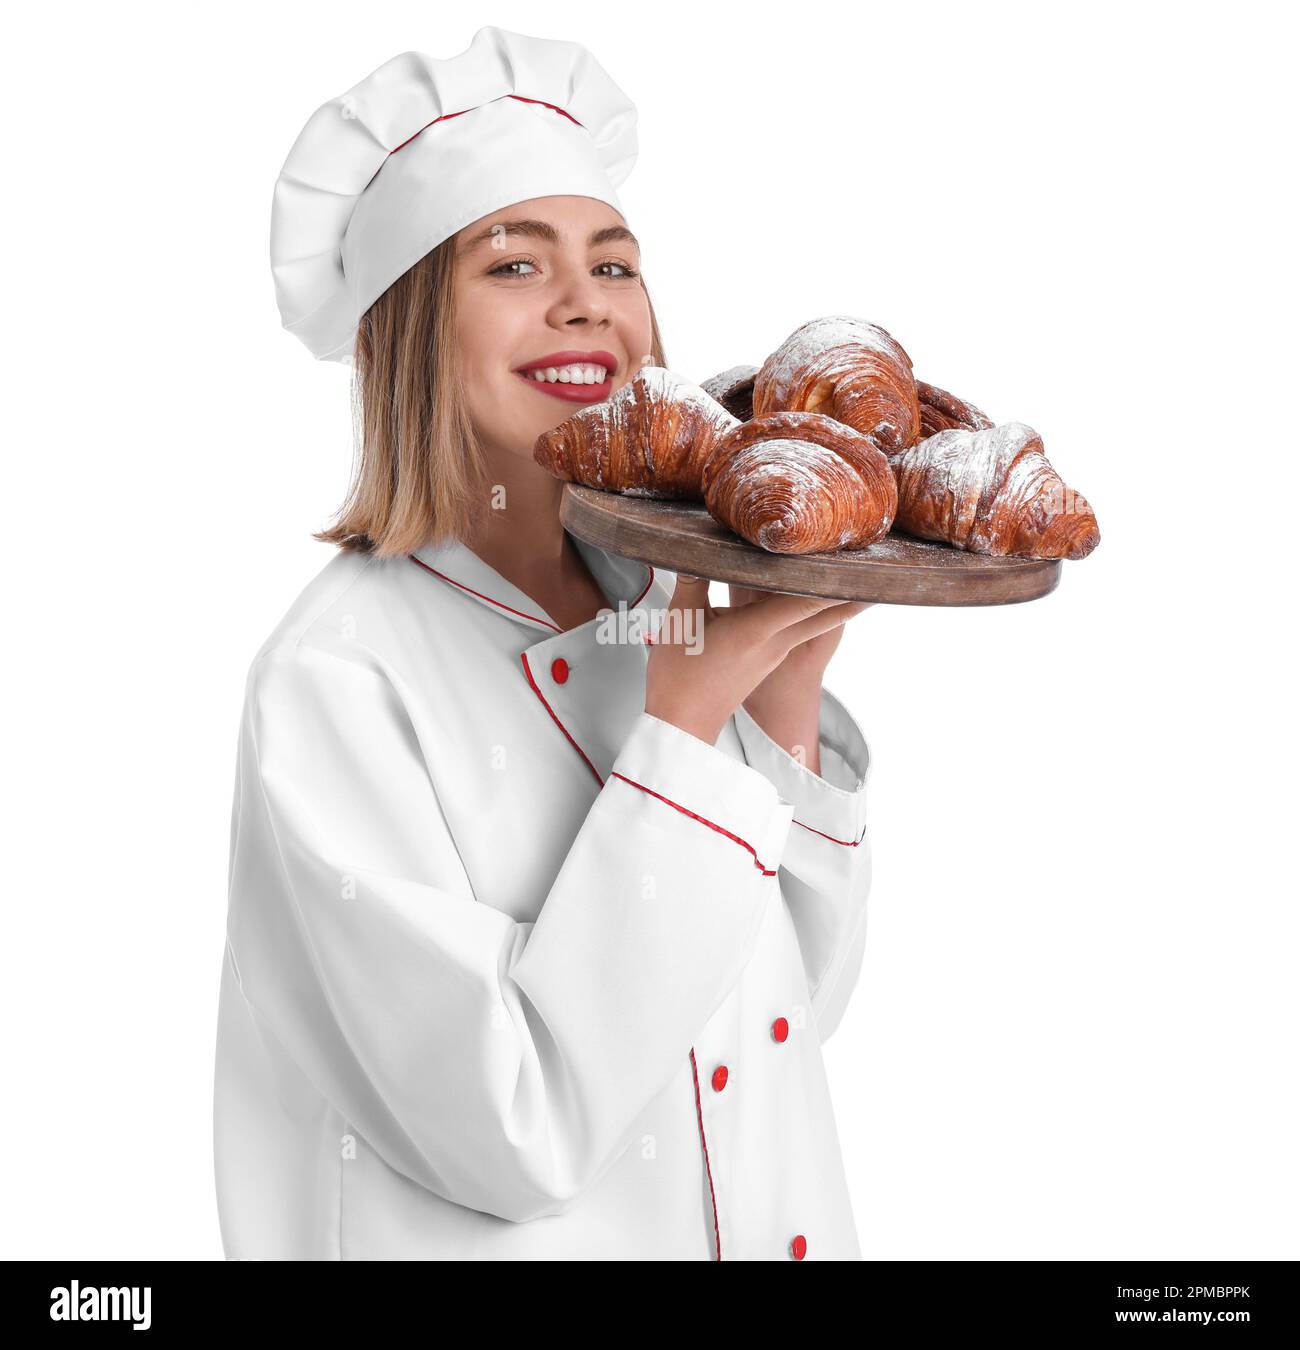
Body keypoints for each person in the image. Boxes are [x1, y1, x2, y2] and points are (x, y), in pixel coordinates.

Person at [213, 25, 874, 1262]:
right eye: (512, 264)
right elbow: (512, 1134)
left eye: (615, 266)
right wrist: (680, 730)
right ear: (396, 332)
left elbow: (781, 1018)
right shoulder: (338, 682)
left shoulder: (671, 597)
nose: (585, 300)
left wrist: (780, 701)